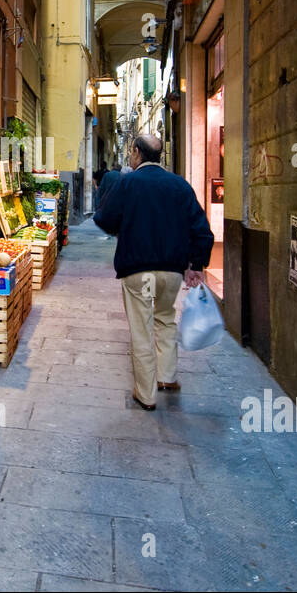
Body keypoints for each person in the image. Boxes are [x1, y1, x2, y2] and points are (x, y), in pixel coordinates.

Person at [92, 133, 215, 410]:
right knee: (164, 318)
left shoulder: (128, 183)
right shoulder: (180, 186)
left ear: (136, 152)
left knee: (141, 328)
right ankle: (167, 377)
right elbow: (202, 231)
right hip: (171, 272)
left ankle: (146, 394)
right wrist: (196, 265)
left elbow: (105, 218)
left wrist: (123, 227)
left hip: (138, 271)